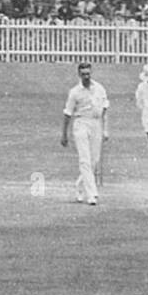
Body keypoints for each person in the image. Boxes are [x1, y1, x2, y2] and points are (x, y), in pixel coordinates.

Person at [60, 61, 109, 205]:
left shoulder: (99, 88)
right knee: (84, 159)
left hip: (96, 123)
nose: (86, 77)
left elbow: (105, 110)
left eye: (88, 74)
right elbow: (67, 113)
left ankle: (80, 185)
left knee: (94, 161)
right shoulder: (75, 92)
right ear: (79, 75)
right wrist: (64, 134)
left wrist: (105, 129)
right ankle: (92, 194)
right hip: (81, 123)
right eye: (83, 74)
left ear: (91, 73)